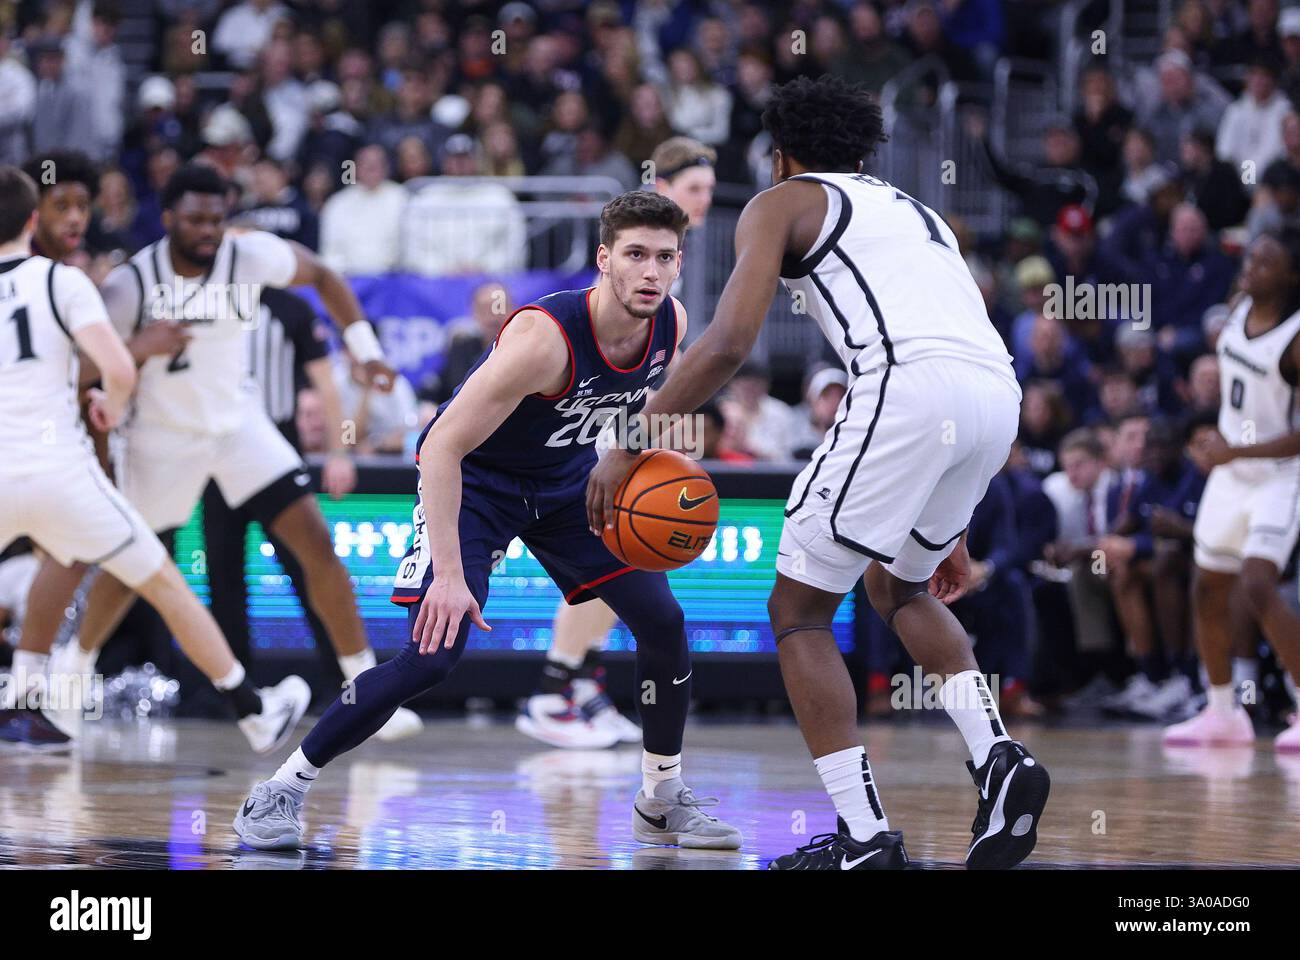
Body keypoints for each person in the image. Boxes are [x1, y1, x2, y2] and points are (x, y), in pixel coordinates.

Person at [588, 75, 1050, 870]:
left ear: (782, 155)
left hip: (906, 389)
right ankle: (999, 759)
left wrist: (631, 437)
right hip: (992, 397)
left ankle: (864, 837)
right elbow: (955, 340)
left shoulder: (783, 200)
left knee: (798, 609)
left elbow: (730, 343)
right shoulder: (919, 211)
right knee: (897, 587)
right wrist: (952, 521)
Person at [233, 191, 741, 852]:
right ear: (603, 259)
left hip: (565, 486)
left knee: (663, 620)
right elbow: (439, 445)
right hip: (476, 484)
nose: (650, 271)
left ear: (678, 265)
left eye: (664, 257)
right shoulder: (543, 338)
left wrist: (626, 456)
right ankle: (284, 786)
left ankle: (662, 795)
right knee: (430, 659)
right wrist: (449, 572)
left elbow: (643, 407)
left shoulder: (669, 322)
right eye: (635, 255)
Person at [49, 165, 400, 744]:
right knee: (130, 567)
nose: (208, 229)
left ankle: (364, 692)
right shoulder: (131, 283)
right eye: (194, 218)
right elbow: (81, 368)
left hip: (239, 426)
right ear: (167, 220)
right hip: (162, 437)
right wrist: (141, 346)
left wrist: (363, 349)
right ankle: (73, 672)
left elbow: (325, 275)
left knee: (315, 541)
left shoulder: (252, 255)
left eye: (217, 217)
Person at [0, 165, 309, 752]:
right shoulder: (60, 281)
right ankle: (252, 713)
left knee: (63, 563)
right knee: (166, 584)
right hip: (60, 475)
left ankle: (28, 690)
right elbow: (117, 367)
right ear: (33, 219)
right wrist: (112, 406)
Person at [516, 137, 720, 751]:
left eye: (710, 191)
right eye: (694, 190)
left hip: (627, 414)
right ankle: (554, 688)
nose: (705, 202)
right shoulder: (636, 255)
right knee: (613, 551)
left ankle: (581, 685)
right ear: (662, 188)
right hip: (597, 413)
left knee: (623, 553)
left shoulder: (667, 258)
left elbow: (669, 358)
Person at [1164, 229, 1300, 752]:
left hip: (1280, 475)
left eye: (1264, 264)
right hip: (1230, 470)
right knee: (1207, 585)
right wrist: (1212, 436)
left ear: (1290, 276)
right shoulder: (1240, 302)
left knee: (1259, 584)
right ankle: (1223, 713)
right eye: (1249, 260)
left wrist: (1236, 450)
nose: (1250, 269)